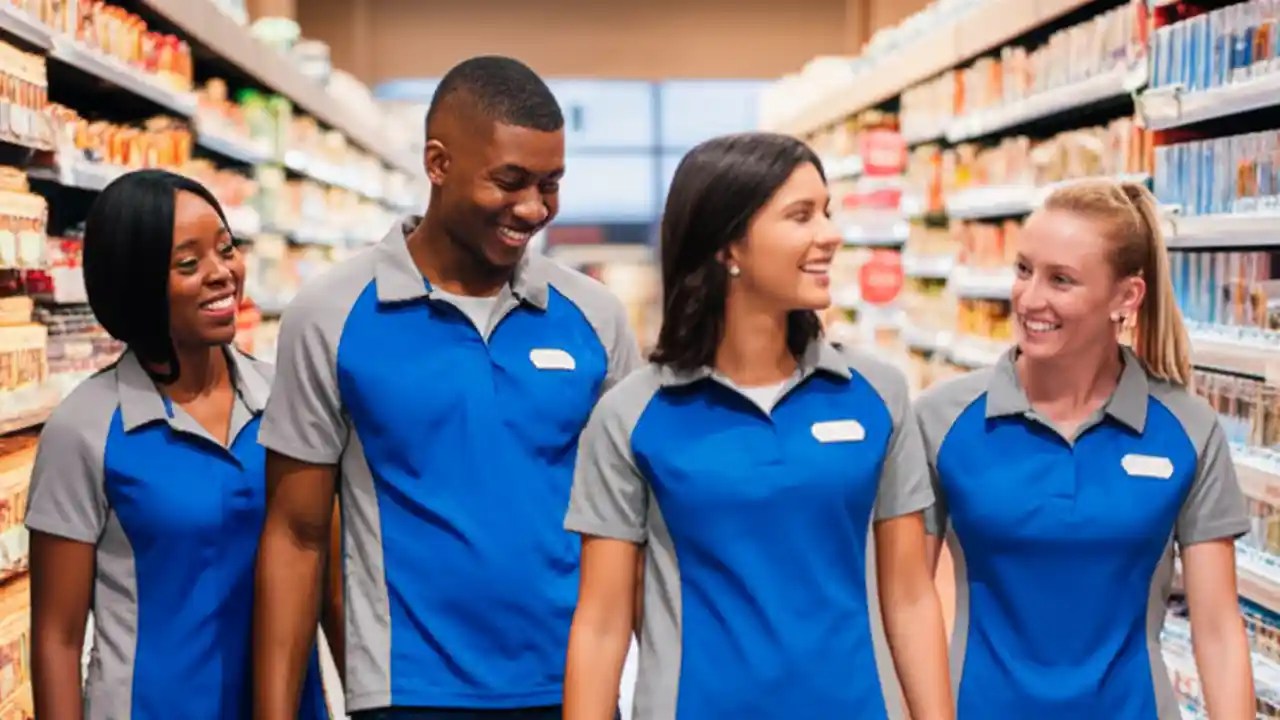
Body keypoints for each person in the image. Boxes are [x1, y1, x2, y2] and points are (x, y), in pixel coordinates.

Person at [253, 55, 641, 720]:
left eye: (551, 184)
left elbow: (633, 521)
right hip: (406, 691)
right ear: (438, 163)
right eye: (510, 181)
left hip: (573, 684)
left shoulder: (594, 318)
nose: (533, 208)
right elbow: (296, 533)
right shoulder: (332, 313)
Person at [562, 132, 954, 720]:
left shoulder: (878, 395)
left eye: (827, 211)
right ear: (728, 247)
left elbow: (910, 597)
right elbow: (601, 624)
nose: (830, 234)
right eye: (800, 216)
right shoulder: (631, 416)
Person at [916, 179, 1256, 719]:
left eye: (1061, 280)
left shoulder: (1187, 431)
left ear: (1126, 297)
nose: (1029, 299)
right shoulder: (941, 419)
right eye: (1024, 270)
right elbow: (908, 604)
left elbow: (1217, 631)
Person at [25, 169, 331, 720]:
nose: (222, 274)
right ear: (134, 284)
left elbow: (327, 568)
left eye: (225, 249)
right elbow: (57, 637)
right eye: (188, 264)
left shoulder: (285, 401)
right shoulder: (85, 428)